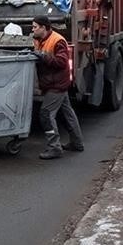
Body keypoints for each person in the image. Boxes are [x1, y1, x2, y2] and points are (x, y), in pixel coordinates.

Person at [31, 15, 84, 159]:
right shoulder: (39, 39)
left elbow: (62, 62)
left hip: (57, 84)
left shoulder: (58, 40)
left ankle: (55, 147)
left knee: (46, 114)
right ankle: (76, 143)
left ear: (43, 27)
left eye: (35, 26)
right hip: (54, 83)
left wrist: (42, 56)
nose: (32, 29)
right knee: (68, 113)